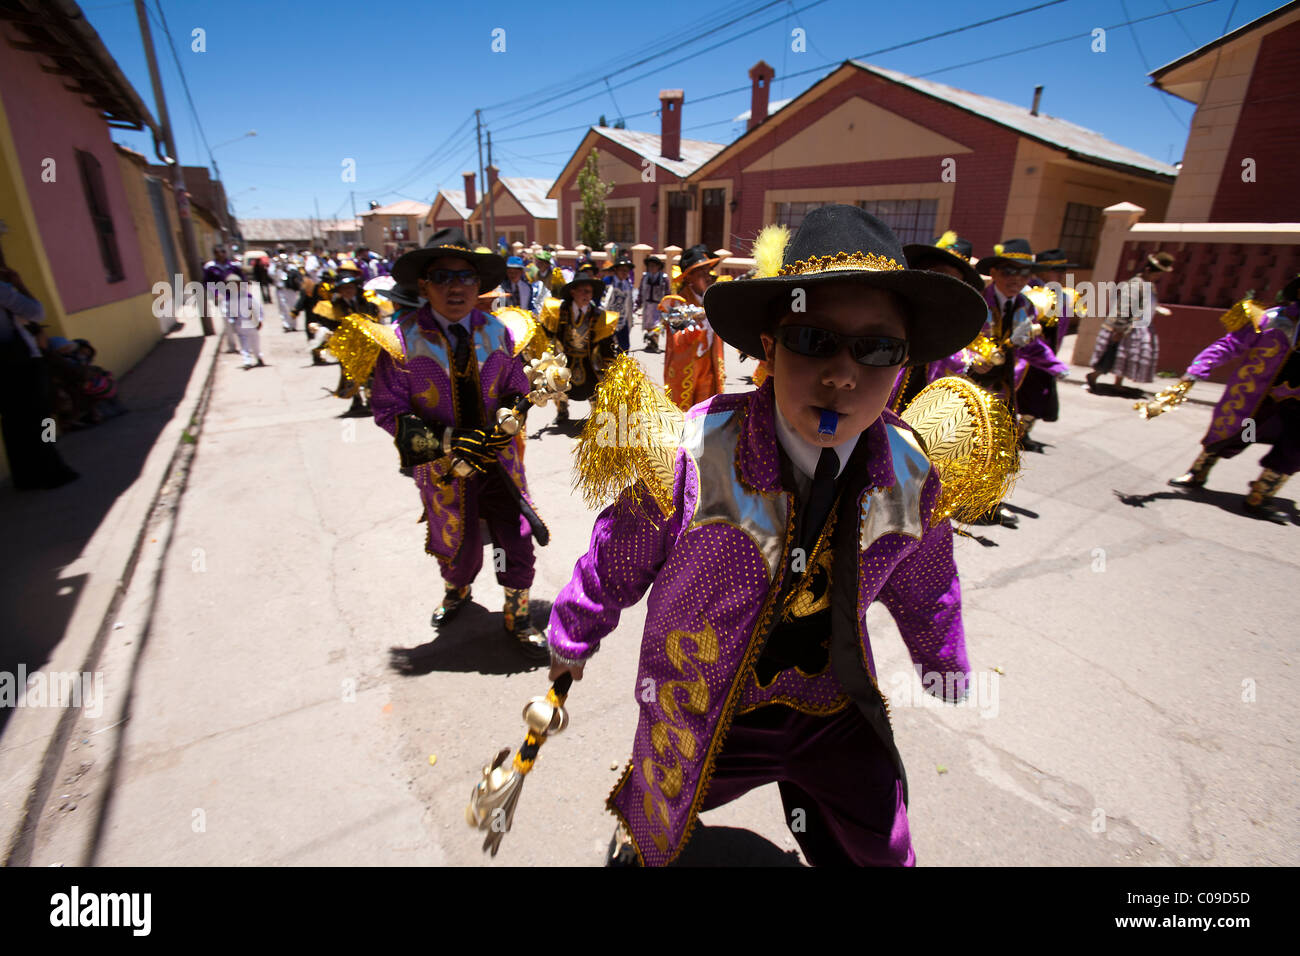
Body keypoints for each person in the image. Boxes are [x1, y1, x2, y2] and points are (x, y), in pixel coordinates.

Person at [544, 205, 988, 866]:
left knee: (882, 841)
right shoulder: (692, 453)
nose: (844, 375)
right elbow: (618, 553)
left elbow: (928, 577)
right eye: (815, 340)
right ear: (770, 348)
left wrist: (941, 656)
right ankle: (645, 832)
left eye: (876, 349)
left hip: (829, 701)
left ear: (904, 365)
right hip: (708, 696)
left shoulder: (911, 468)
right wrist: (573, 633)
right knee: (662, 810)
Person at [369, 229, 550, 658]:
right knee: (455, 538)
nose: (456, 286)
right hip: (443, 466)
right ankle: (457, 592)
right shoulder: (399, 341)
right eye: (443, 276)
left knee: (515, 534)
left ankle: (517, 614)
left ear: (479, 285)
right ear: (423, 285)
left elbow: (515, 387)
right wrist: (449, 441)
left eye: (466, 277)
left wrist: (511, 412)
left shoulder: (498, 332)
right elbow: (387, 409)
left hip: (500, 461)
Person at [1167, 275, 1300, 523]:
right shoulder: (1269, 319)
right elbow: (1228, 345)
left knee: (1294, 447)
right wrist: (1196, 370)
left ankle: (1260, 496)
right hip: (1259, 397)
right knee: (1234, 432)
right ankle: (1198, 472)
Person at [0, 265, 79, 489]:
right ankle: (52, 467)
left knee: (13, 423)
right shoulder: (4, 291)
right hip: (22, 364)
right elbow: (37, 312)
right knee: (43, 417)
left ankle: (25, 476)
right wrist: (19, 284)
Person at [894, 233, 984, 412]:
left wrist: (974, 360)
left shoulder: (951, 325)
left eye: (954, 285)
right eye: (937, 276)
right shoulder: (889, 313)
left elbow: (948, 357)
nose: (942, 291)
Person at [1015, 249, 1087, 451]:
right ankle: (1014, 434)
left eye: (1062, 269)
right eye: (1056, 269)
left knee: (1039, 399)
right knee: (1023, 397)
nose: (1061, 273)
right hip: (1027, 358)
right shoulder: (1029, 294)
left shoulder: (1065, 295)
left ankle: (1022, 432)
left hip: (1046, 357)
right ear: (1043, 271)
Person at [1086, 252, 1174, 390]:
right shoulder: (1135, 285)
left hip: (1135, 326)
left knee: (1124, 355)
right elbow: (1124, 307)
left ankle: (1117, 383)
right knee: (1114, 353)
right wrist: (1119, 328)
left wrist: (1156, 309)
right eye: (1156, 275)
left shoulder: (1148, 285)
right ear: (1148, 270)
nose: (1157, 278)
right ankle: (1094, 375)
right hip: (1124, 326)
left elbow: (1144, 304)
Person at [539, 272, 618, 424]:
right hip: (564, 357)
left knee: (596, 387)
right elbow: (548, 333)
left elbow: (606, 342)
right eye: (584, 291)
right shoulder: (560, 310)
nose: (588, 295)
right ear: (573, 292)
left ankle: (597, 415)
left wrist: (611, 362)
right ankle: (562, 411)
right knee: (558, 383)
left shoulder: (598, 315)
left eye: (590, 292)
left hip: (588, 359)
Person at [663, 244, 726, 411]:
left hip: (709, 367)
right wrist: (697, 324)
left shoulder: (713, 298)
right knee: (683, 417)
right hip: (686, 369)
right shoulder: (678, 302)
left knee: (705, 414)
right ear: (688, 277)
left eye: (708, 271)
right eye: (701, 272)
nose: (707, 276)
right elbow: (677, 341)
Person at [202, 245, 243, 355]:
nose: (221, 254)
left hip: (236, 295)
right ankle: (232, 346)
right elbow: (207, 282)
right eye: (217, 252)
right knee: (227, 321)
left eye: (223, 252)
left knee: (239, 320)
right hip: (222, 297)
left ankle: (244, 344)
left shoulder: (234, 266)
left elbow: (242, 279)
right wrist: (215, 293)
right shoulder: (210, 267)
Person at [602, 255, 636, 354]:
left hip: (622, 320)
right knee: (607, 347)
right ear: (616, 270)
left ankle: (621, 368)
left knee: (624, 348)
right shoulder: (607, 281)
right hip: (608, 320)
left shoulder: (627, 285)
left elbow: (629, 304)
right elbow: (603, 301)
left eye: (627, 270)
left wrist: (630, 320)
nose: (624, 273)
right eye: (622, 270)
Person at [637, 255, 669, 353]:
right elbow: (641, 290)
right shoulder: (645, 277)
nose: (652, 268)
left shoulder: (664, 278)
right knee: (648, 325)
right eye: (650, 266)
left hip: (658, 305)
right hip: (647, 305)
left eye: (654, 266)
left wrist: (667, 306)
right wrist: (639, 302)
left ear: (658, 267)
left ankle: (655, 343)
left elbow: (667, 292)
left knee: (657, 325)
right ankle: (650, 343)